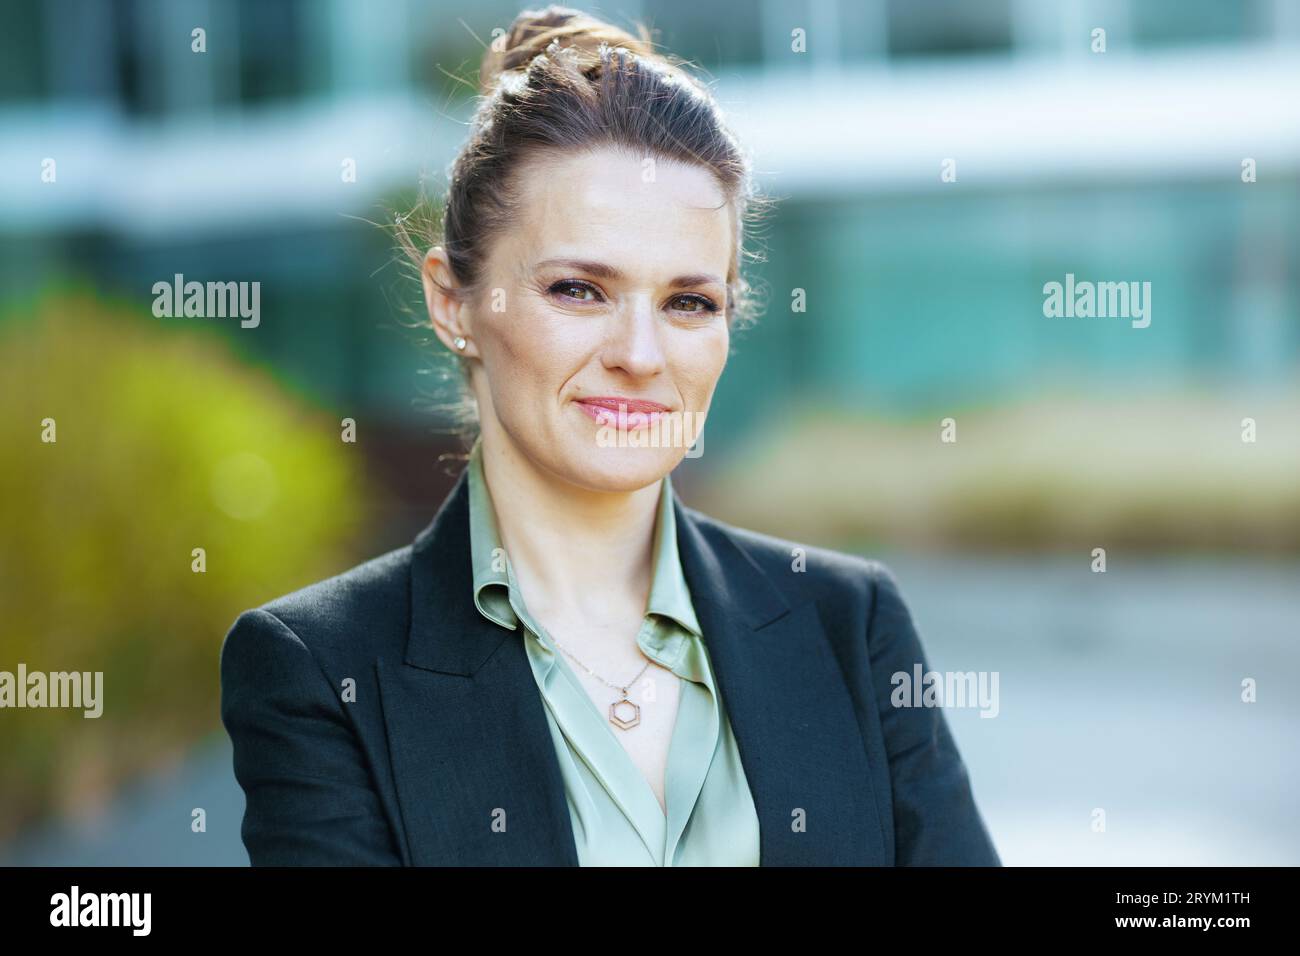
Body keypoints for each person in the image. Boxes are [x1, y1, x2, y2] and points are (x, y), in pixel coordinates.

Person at [219, 3, 1000, 867]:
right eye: (579, 290)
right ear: (455, 304)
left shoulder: (849, 623)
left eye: (689, 302)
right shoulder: (319, 670)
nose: (639, 355)